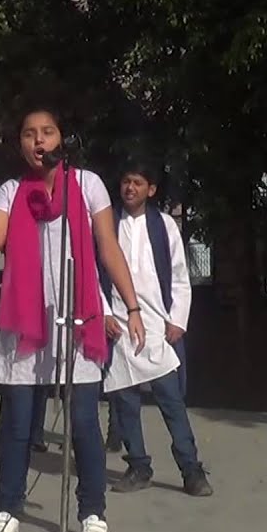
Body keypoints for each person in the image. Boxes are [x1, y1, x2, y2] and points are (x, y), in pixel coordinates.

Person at [0, 105, 146, 532]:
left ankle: (92, 512)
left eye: (46, 132)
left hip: (77, 317)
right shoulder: (10, 190)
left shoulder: (87, 184)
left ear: (61, 137)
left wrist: (132, 306)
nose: (37, 141)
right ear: (19, 143)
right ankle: (7, 509)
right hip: (27, 320)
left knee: (83, 423)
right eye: (28, 134)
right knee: (18, 424)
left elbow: (107, 247)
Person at [100, 162, 212, 496]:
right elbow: (96, 275)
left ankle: (191, 470)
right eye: (125, 181)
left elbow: (179, 276)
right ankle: (138, 466)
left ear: (151, 189)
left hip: (157, 328)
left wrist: (177, 320)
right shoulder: (107, 226)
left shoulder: (164, 226)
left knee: (172, 403)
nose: (129, 188)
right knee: (125, 404)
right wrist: (105, 314)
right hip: (119, 327)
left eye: (137, 182)